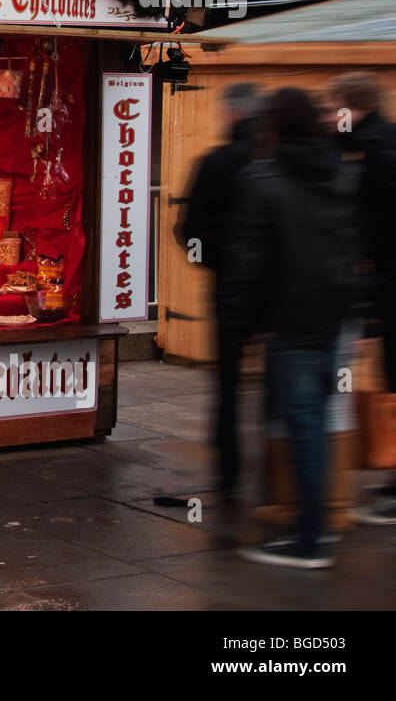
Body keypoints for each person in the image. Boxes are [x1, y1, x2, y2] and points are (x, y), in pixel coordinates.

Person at [227, 87, 361, 569]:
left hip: (290, 324)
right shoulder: (342, 173)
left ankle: (310, 537)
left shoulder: (265, 178)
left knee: (302, 427)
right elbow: (350, 245)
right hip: (333, 320)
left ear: (274, 125)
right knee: (313, 425)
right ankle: (303, 522)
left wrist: (241, 324)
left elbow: (251, 262)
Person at [177, 81, 261, 499]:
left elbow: (188, 230)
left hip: (231, 287)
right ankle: (278, 466)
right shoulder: (276, 158)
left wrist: (212, 263)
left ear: (230, 114)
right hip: (281, 291)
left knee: (228, 381)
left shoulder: (217, 162)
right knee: (280, 379)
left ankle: (229, 470)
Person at [330, 72, 396, 524]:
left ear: (352, 107)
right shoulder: (382, 139)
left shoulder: (369, 148)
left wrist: (366, 298)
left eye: (337, 106)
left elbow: (372, 226)